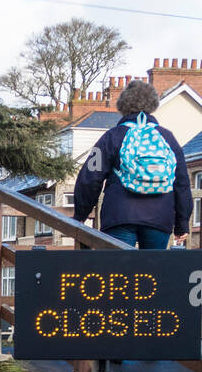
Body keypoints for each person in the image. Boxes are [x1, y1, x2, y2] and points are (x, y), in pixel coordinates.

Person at [73, 79, 192, 250]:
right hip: (159, 217)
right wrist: (182, 223)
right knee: (152, 273)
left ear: (123, 105)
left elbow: (90, 177)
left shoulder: (111, 137)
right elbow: (181, 182)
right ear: (153, 104)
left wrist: (80, 214)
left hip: (119, 215)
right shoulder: (168, 138)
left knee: (119, 273)